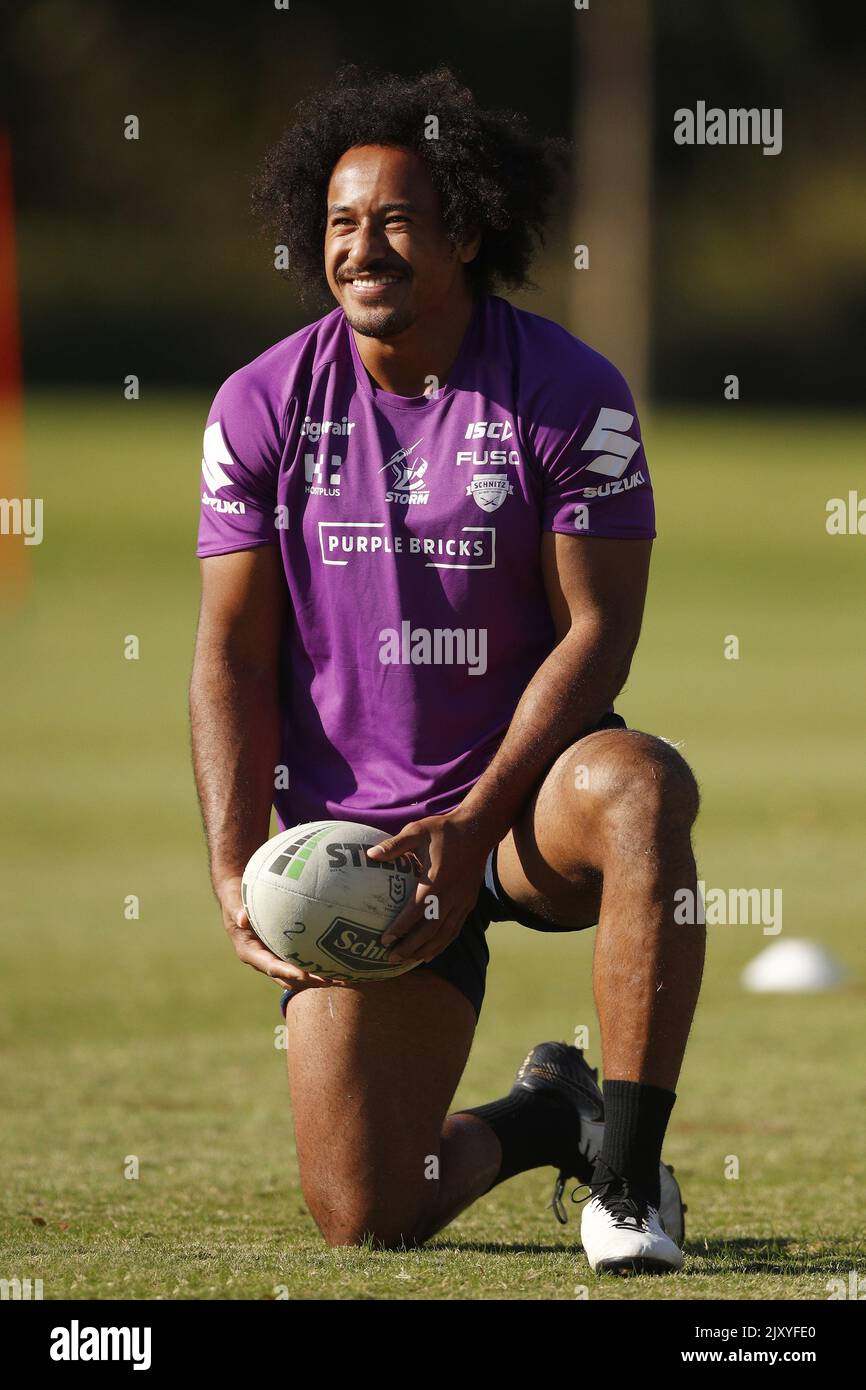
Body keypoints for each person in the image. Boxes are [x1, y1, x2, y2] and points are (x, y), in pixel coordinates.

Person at [190, 66, 704, 1274]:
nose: (359, 247)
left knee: (640, 785)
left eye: (392, 220)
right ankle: (548, 1114)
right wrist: (229, 868)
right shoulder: (262, 404)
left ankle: (626, 1185)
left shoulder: (569, 392)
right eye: (337, 223)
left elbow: (596, 631)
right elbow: (231, 651)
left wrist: (474, 821)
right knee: (371, 1212)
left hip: (524, 807)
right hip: (358, 849)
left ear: (465, 232)